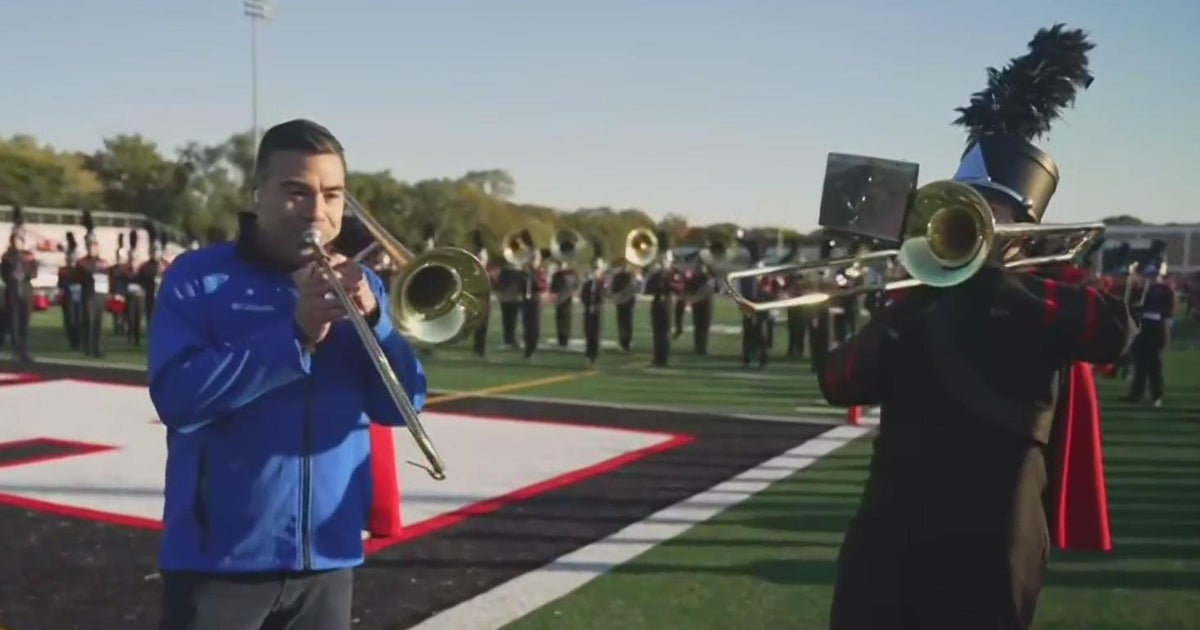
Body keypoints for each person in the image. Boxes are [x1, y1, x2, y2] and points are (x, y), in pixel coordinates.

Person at [821, 25, 1136, 629]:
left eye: (989, 210)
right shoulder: (916, 298)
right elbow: (839, 381)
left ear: (1022, 224)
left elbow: (1111, 333)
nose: (970, 222)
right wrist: (902, 307)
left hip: (993, 538)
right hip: (890, 532)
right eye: (963, 206)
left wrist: (997, 281)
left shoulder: (1052, 292)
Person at [147, 119, 427, 630]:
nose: (318, 211)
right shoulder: (196, 277)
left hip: (328, 557)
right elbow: (178, 399)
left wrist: (376, 323)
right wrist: (294, 334)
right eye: (296, 192)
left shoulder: (361, 284)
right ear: (258, 195)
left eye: (333, 194)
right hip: (218, 563)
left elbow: (402, 404)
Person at [1124, 263, 1174, 406]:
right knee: (1139, 363)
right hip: (1141, 328)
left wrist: (1146, 310)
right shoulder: (1139, 289)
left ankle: (1156, 395)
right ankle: (1136, 393)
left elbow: (1168, 311)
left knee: (1154, 364)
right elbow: (1130, 306)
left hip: (1156, 328)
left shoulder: (1164, 291)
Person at [1, 210, 37, 362]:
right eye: (15, 239)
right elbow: (3, 273)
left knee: (25, 322)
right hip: (13, 290)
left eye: (20, 239)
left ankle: (25, 349)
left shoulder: (29, 255)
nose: (18, 242)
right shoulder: (7, 256)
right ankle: (16, 349)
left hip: (26, 290)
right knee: (14, 321)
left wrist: (26, 270)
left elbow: (34, 273)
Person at [579, 241, 606, 367]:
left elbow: (602, 296)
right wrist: (587, 302)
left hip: (597, 310)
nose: (595, 271)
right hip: (588, 310)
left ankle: (594, 356)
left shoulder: (602, 283)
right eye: (593, 268)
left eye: (597, 268)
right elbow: (583, 295)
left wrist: (595, 302)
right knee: (588, 333)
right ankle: (588, 356)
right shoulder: (588, 283)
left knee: (596, 334)